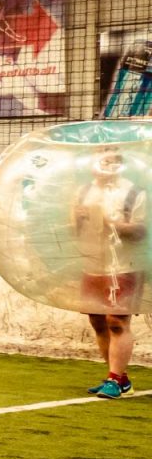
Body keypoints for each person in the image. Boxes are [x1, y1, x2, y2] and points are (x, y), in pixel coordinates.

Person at [73, 147, 144, 399]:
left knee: (117, 320)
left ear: (120, 164)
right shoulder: (85, 191)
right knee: (97, 320)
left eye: (111, 161)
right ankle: (119, 378)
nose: (104, 165)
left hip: (124, 264)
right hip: (93, 263)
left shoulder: (134, 191)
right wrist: (78, 218)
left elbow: (141, 231)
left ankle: (114, 379)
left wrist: (110, 225)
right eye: (101, 160)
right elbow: (73, 231)